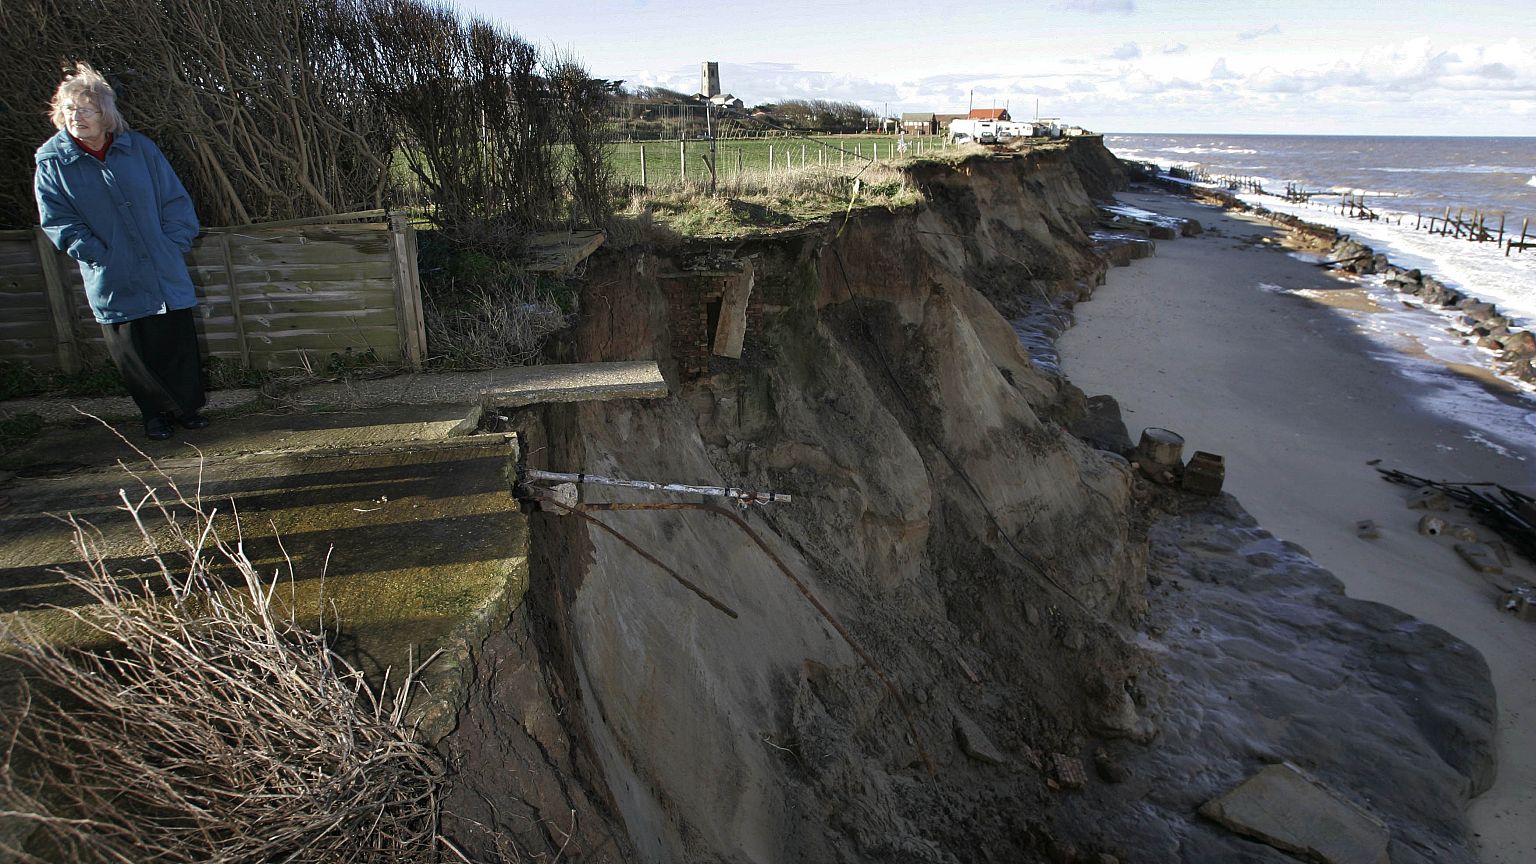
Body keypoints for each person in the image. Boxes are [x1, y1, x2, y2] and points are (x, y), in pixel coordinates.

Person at [34, 62, 209, 441]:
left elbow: (175, 200)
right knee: (133, 349)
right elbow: (58, 221)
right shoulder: (52, 164)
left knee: (174, 342)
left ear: (105, 114)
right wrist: (98, 253)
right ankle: (154, 415)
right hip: (113, 273)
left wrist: (172, 242)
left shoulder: (140, 149)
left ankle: (187, 409)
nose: (75, 117)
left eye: (84, 109)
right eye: (68, 110)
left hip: (161, 265)